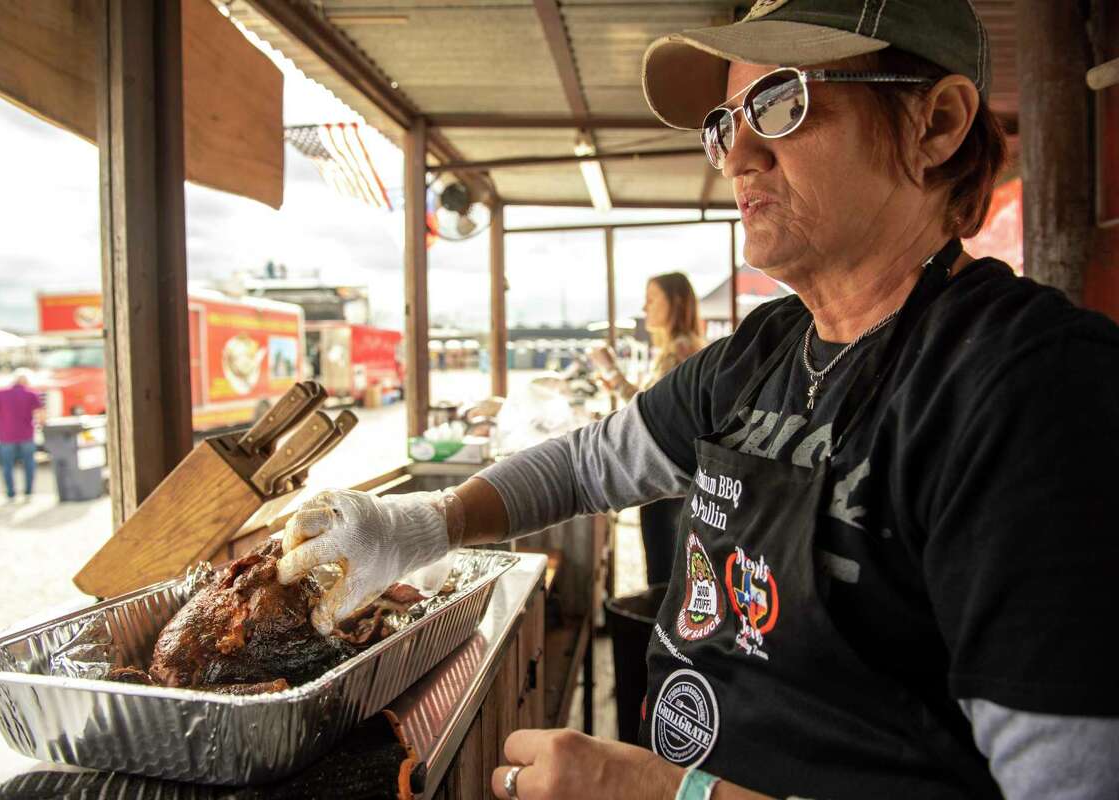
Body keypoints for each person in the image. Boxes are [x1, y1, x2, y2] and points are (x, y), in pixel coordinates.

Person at [274, 2, 1119, 798]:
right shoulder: (763, 351)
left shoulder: (1031, 390)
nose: (739, 155)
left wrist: (677, 794)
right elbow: (588, 461)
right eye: (727, 122)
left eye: (783, 103)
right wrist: (423, 524)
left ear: (935, 124)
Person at [592, 272, 706, 585]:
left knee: (663, 576)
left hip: (670, 479)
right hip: (681, 476)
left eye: (652, 298)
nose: (645, 306)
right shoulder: (681, 347)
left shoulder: (678, 351)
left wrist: (611, 371)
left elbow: (654, 415)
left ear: (676, 302)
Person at [0, 369, 44, 502]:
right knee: (29, 464)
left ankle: (10, 493)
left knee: (7, 465)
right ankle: (28, 492)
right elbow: (40, 415)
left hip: (6, 435)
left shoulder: (0, 394)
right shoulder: (32, 394)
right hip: (26, 434)